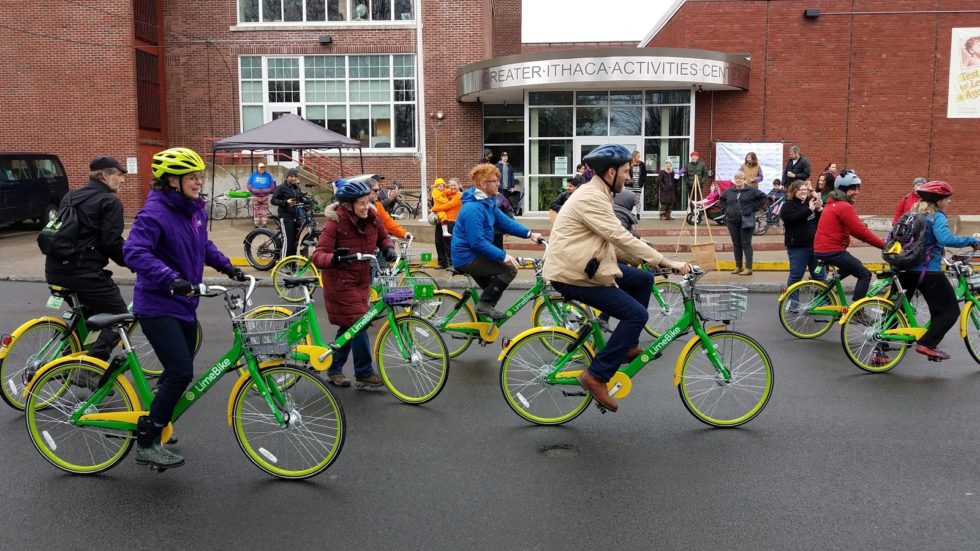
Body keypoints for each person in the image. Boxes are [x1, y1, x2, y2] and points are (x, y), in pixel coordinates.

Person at [124, 147, 246, 469]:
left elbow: (201, 244)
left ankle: (159, 417)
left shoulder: (193, 210)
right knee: (180, 371)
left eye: (199, 176)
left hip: (184, 303)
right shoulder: (154, 213)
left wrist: (227, 267)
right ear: (171, 180)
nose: (198, 181)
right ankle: (147, 441)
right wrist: (168, 277)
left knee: (178, 367)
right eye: (192, 177)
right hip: (158, 304)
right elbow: (133, 252)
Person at [543, 144, 689, 413]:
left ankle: (626, 346)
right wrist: (666, 261)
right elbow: (618, 236)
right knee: (636, 315)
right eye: (625, 171)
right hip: (572, 274)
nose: (628, 177)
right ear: (610, 172)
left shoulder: (600, 194)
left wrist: (646, 258)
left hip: (586, 266)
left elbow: (615, 243)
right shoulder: (591, 197)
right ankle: (596, 375)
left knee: (643, 280)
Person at [45, 155, 129, 363]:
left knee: (90, 317)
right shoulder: (110, 201)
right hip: (84, 274)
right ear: (104, 175)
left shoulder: (71, 196)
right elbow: (112, 243)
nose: (123, 180)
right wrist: (135, 262)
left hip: (54, 270)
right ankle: (90, 367)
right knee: (120, 317)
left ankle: (66, 363)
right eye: (119, 175)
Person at [311, 180, 394, 388]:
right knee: (360, 323)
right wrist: (335, 259)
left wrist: (388, 249)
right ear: (348, 205)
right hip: (340, 283)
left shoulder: (373, 218)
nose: (366, 206)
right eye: (361, 203)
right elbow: (318, 256)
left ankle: (334, 368)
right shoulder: (335, 223)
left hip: (361, 282)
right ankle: (364, 372)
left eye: (367, 201)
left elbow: (384, 238)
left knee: (349, 326)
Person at [896, 181, 980, 360]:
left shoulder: (912, 212)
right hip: (927, 271)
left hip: (904, 267)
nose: (948, 202)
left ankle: (878, 349)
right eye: (947, 199)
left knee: (897, 309)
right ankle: (927, 344)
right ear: (938, 200)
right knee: (950, 311)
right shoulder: (936, 215)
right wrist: (971, 241)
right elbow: (945, 238)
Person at [451, 164, 542, 320]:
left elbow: (505, 222)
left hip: (476, 254)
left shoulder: (487, 203)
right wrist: (503, 255)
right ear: (483, 185)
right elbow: (477, 241)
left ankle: (482, 323)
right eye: (495, 181)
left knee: (493, 289)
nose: (499, 184)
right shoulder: (473, 208)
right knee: (510, 270)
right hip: (468, 257)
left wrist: (529, 234)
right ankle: (483, 306)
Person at [813, 170, 885, 302]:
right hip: (833, 251)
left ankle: (825, 289)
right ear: (842, 189)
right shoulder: (843, 206)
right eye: (853, 188)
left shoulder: (832, 203)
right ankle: (857, 312)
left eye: (858, 188)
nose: (857, 191)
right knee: (865, 274)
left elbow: (852, 229)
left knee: (849, 268)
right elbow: (861, 232)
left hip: (822, 249)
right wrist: (883, 245)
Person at [719, 171, 767, 275]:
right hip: (732, 221)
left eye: (740, 178)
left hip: (746, 221)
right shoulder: (729, 191)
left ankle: (749, 268)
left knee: (746, 244)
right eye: (736, 178)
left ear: (745, 180)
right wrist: (725, 210)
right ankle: (738, 266)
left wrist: (754, 208)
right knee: (736, 244)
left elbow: (764, 197)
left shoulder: (751, 190)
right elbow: (721, 199)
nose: (738, 180)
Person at [780, 180, 824, 290]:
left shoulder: (810, 203)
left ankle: (820, 303)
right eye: (801, 190)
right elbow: (791, 219)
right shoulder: (787, 205)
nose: (804, 192)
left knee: (820, 277)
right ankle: (792, 304)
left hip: (815, 247)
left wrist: (818, 210)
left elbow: (820, 222)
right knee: (796, 277)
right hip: (798, 247)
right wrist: (809, 210)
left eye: (805, 189)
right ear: (794, 191)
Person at [270, 168, 308, 257]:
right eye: (291, 176)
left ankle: (292, 264)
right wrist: (285, 202)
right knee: (288, 242)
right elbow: (273, 200)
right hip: (285, 217)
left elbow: (300, 200)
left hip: (296, 217)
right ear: (287, 177)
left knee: (294, 242)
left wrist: (309, 202)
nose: (293, 178)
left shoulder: (297, 188)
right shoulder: (281, 187)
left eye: (295, 176)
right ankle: (283, 265)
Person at [430, 178, 462, 266]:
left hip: (451, 222)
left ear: (459, 185)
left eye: (454, 185)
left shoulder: (459, 196)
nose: (452, 187)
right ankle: (442, 262)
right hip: (442, 220)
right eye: (451, 185)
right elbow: (439, 196)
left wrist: (434, 209)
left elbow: (448, 205)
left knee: (448, 245)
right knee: (439, 242)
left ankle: (452, 264)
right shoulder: (449, 194)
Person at [246, 162, 275, 227]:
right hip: (256, 196)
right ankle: (257, 224)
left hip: (265, 196)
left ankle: (264, 224)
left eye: (263, 167)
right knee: (256, 211)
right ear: (257, 168)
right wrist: (253, 189)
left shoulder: (268, 175)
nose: (262, 169)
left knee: (264, 210)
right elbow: (249, 184)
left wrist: (269, 190)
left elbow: (272, 184)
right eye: (260, 167)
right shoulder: (253, 175)